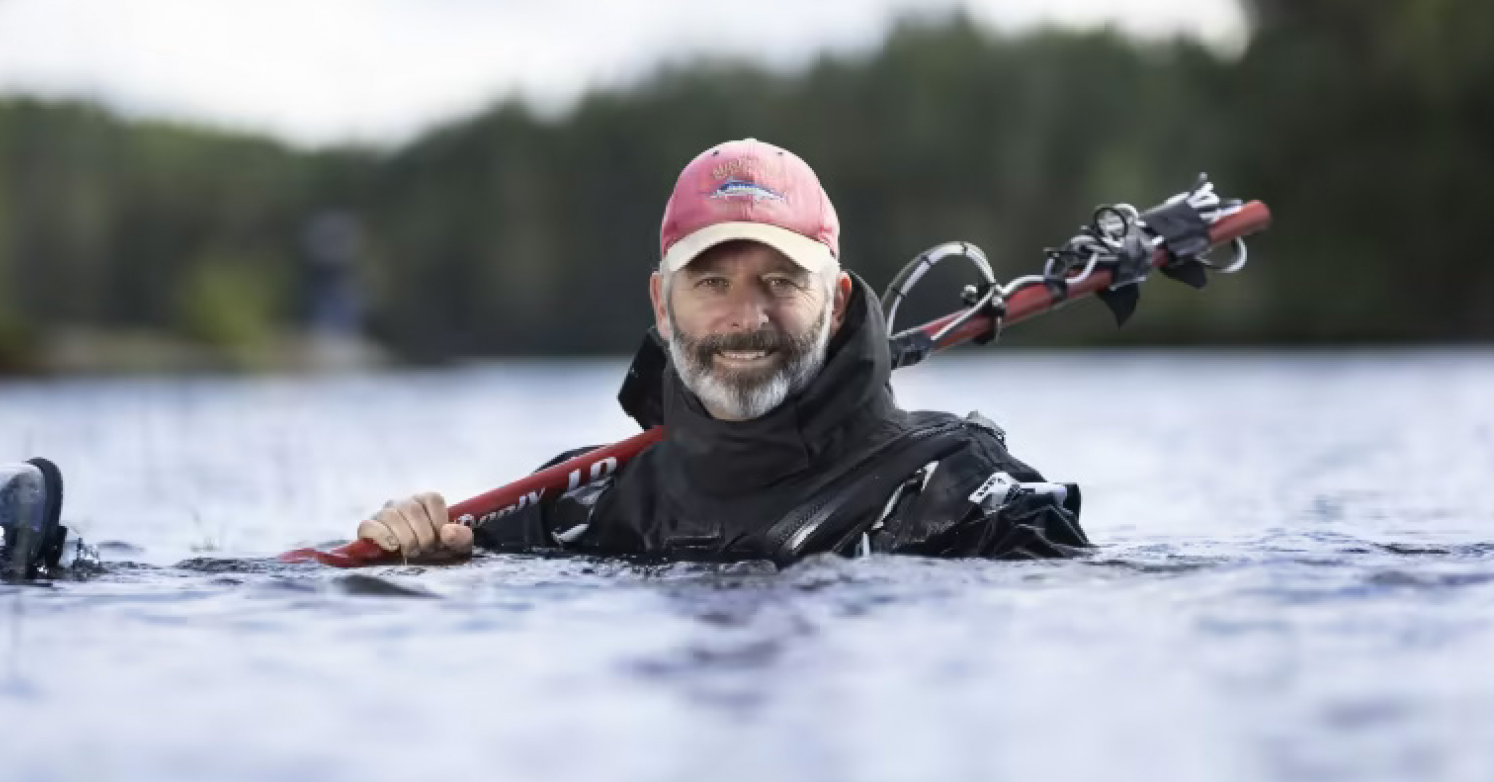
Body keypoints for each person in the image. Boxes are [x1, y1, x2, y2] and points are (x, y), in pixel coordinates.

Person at [358, 138, 1090, 565]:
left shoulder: (958, 491)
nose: (746, 316)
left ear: (835, 302)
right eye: (711, 282)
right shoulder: (572, 507)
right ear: (661, 304)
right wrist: (420, 560)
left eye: (780, 280)